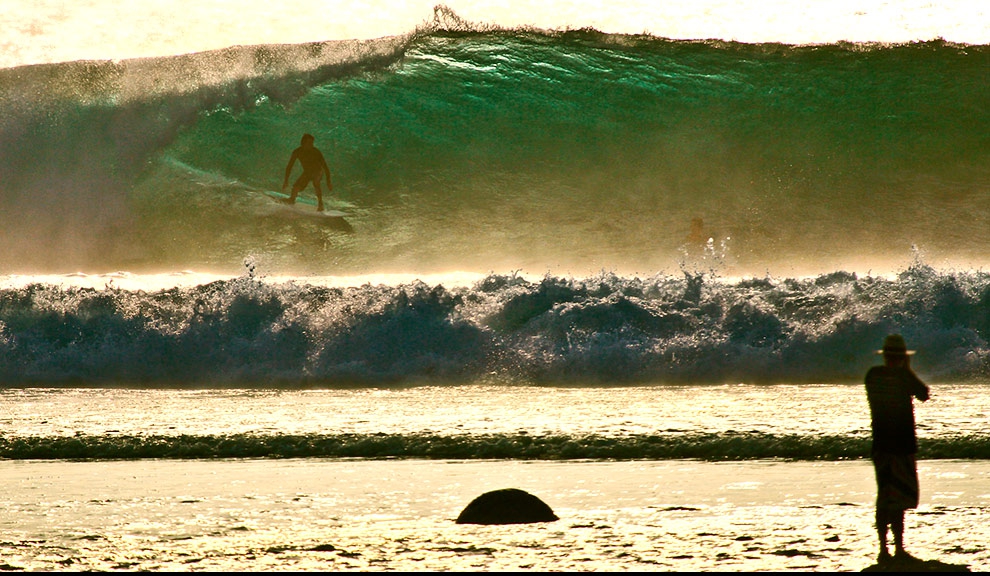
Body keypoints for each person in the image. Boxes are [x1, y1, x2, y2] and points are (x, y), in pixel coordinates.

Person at [864, 333, 929, 564]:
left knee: (884, 496)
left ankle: (884, 549)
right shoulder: (903, 377)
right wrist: (908, 370)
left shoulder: (873, 376)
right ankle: (898, 548)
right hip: (901, 444)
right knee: (898, 499)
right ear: (902, 357)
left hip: (881, 443)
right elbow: (924, 394)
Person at [282, 133, 332, 212]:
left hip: (317, 171)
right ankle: (292, 199)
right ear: (303, 143)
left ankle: (320, 204)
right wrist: (286, 180)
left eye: (312, 143)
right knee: (295, 188)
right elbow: (289, 166)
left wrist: (328, 182)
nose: (311, 145)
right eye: (309, 143)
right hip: (307, 172)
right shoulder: (297, 152)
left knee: (316, 183)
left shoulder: (316, 152)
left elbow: (325, 167)